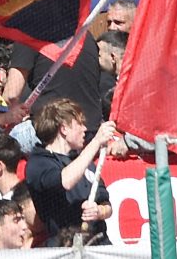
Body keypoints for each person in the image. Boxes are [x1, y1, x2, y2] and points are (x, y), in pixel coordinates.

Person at [24, 98, 114, 243]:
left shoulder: (83, 160)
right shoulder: (39, 163)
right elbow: (65, 181)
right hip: (65, 245)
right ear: (64, 129)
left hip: (99, 244)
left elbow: (106, 205)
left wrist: (99, 211)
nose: (85, 129)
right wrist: (96, 142)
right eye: (80, 123)